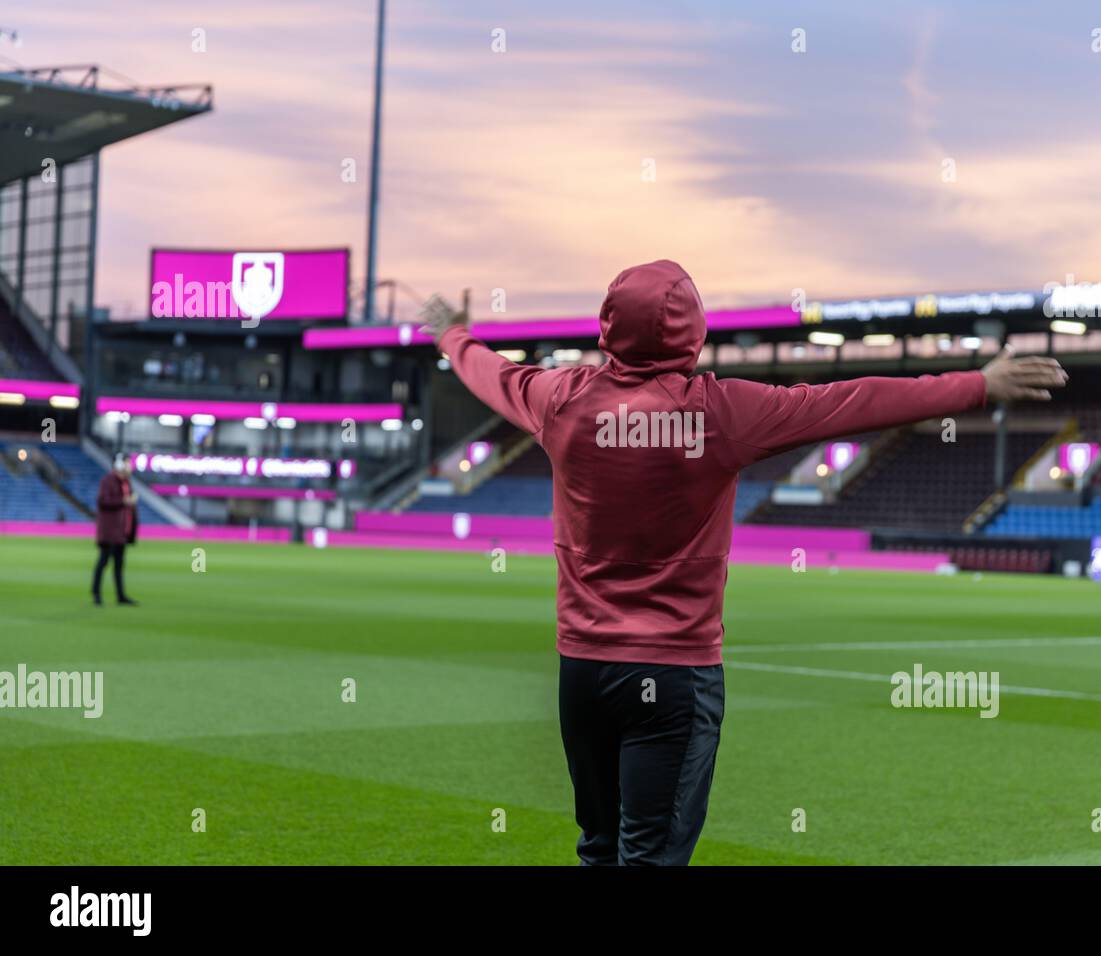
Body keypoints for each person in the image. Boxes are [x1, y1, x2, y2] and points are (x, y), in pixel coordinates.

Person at [423, 260, 1065, 865]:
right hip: (672, 678)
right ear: (693, 334)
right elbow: (854, 400)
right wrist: (979, 384)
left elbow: (488, 372)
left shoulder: (560, 399)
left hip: (583, 673)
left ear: (607, 327)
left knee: (598, 848)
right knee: (648, 856)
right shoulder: (722, 414)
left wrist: (452, 333)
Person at [93, 453, 139, 606]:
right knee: (103, 562)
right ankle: (96, 594)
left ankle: (121, 595)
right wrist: (124, 501)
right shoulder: (108, 481)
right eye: (126, 463)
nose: (129, 466)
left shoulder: (126, 482)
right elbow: (103, 502)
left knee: (119, 565)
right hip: (109, 532)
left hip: (122, 532)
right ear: (119, 464)